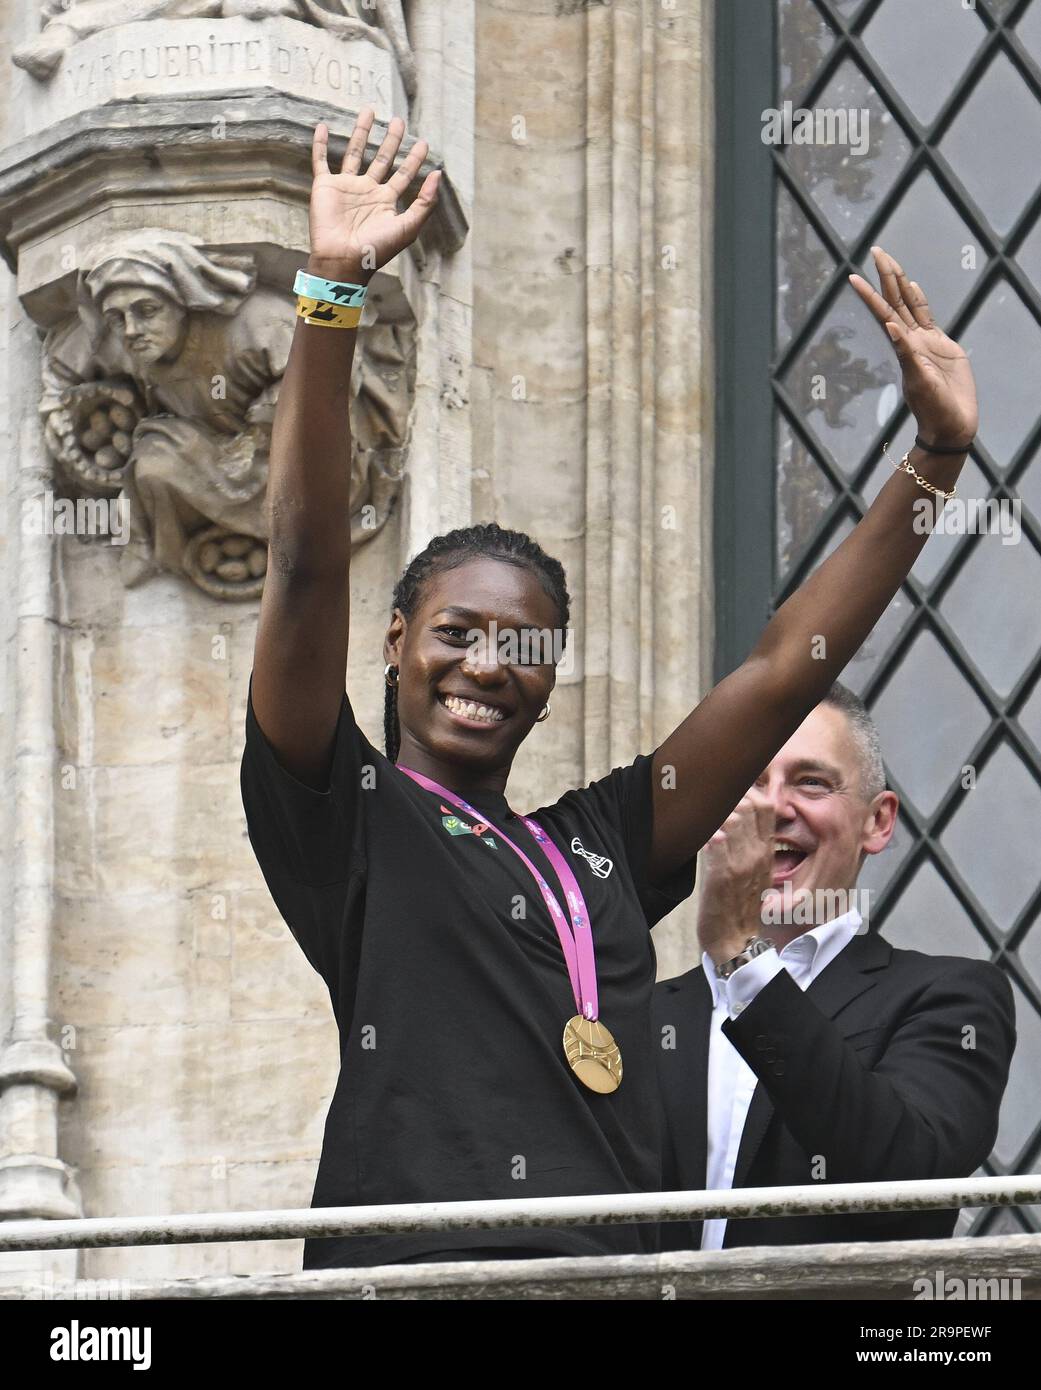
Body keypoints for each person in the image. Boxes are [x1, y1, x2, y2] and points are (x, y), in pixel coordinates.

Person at [240, 105, 981, 1268]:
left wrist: (932, 464)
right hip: (424, 1296)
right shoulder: (346, 813)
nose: (489, 663)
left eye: (524, 646)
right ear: (392, 642)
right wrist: (332, 292)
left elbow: (786, 668)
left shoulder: (600, 845)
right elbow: (303, 558)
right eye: (457, 631)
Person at [653, 684, 1016, 1251]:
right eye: (750, 780)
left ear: (878, 821)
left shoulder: (950, 997)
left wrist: (741, 955)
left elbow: (906, 1179)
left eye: (811, 782)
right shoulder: (640, 1015)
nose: (774, 806)